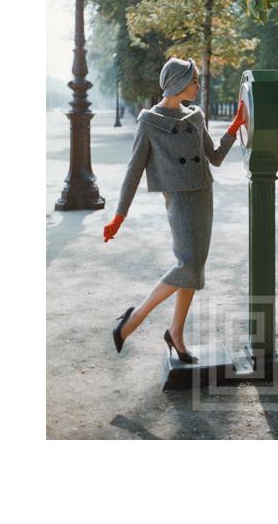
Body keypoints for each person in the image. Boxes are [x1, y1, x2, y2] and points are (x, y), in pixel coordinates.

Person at [102, 57, 246, 363]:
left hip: (203, 195)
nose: (197, 85)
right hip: (179, 200)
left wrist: (234, 127)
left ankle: (176, 334)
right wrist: (119, 216)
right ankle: (133, 319)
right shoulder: (149, 122)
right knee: (187, 265)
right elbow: (133, 171)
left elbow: (215, 157)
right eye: (194, 80)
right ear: (179, 83)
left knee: (193, 269)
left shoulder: (196, 117)